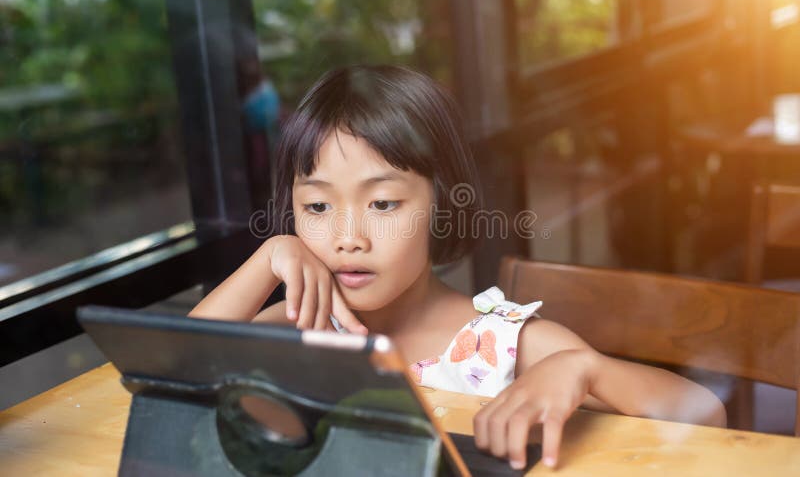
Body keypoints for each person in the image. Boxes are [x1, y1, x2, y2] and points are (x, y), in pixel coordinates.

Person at [189, 65, 726, 470]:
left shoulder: (500, 344)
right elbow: (176, 374)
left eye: (383, 203)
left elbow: (706, 415)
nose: (348, 238)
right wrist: (269, 256)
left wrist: (587, 368)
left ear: (442, 206)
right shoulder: (298, 325)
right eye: (317, 207)